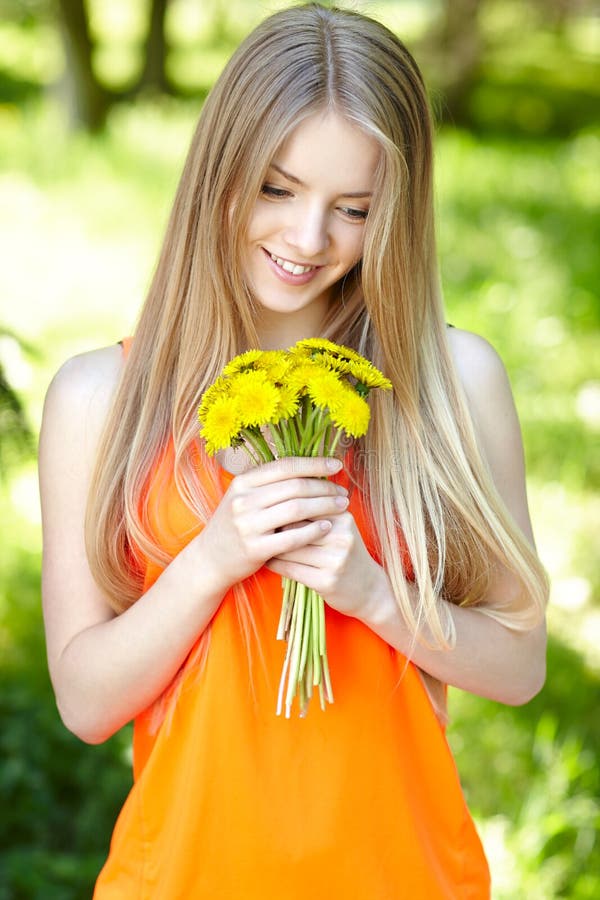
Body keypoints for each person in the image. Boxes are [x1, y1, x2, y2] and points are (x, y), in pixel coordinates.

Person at [38, 3, 548, 897]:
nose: (309, 241)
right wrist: (217, 557)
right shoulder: (102, 398)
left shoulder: (452, 381)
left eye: (354, 208)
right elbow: (86, 704)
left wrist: (375, 597)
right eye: (277, 190)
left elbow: (518, 665)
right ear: (216, 172)